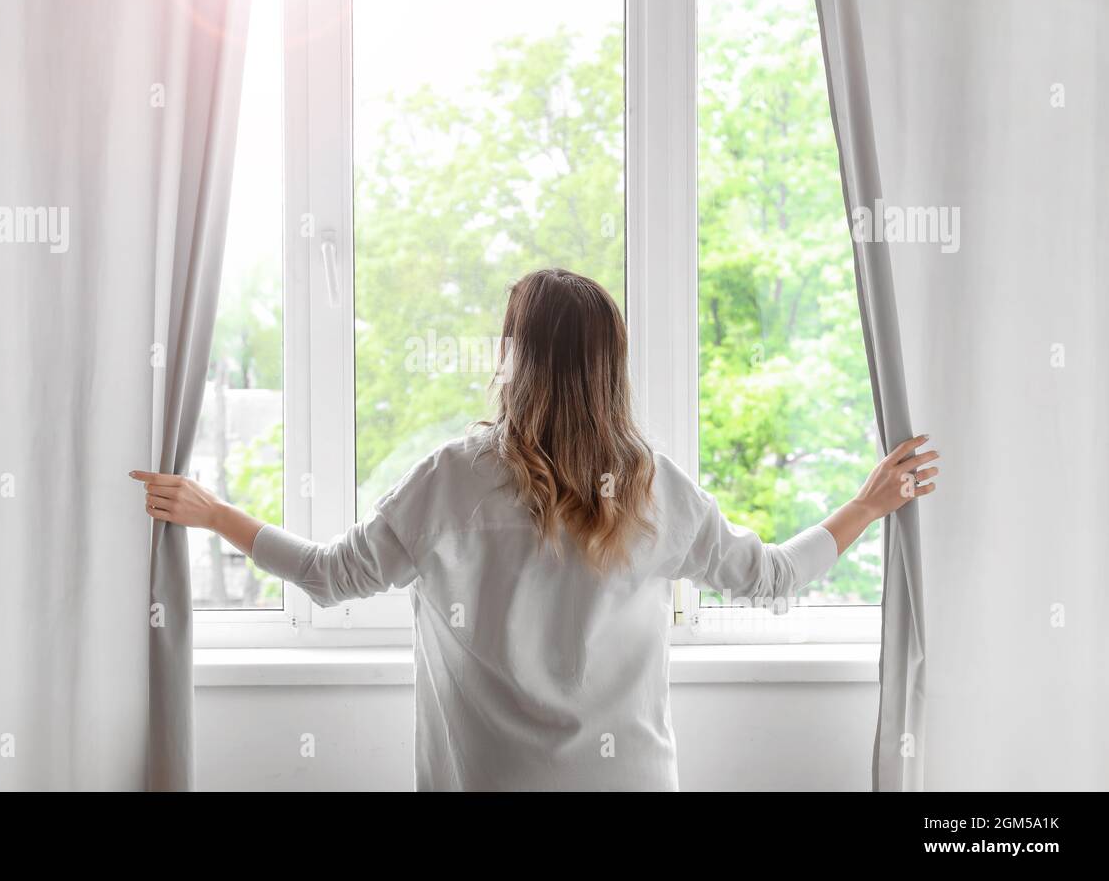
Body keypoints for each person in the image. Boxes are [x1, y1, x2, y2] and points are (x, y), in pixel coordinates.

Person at [131, 268, 938, 790]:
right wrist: (867, 504)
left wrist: (213, 513)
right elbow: (773, 580)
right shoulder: (653, 487)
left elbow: (329, 576)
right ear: (607, 367)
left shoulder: (456, 476)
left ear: (516, 358)